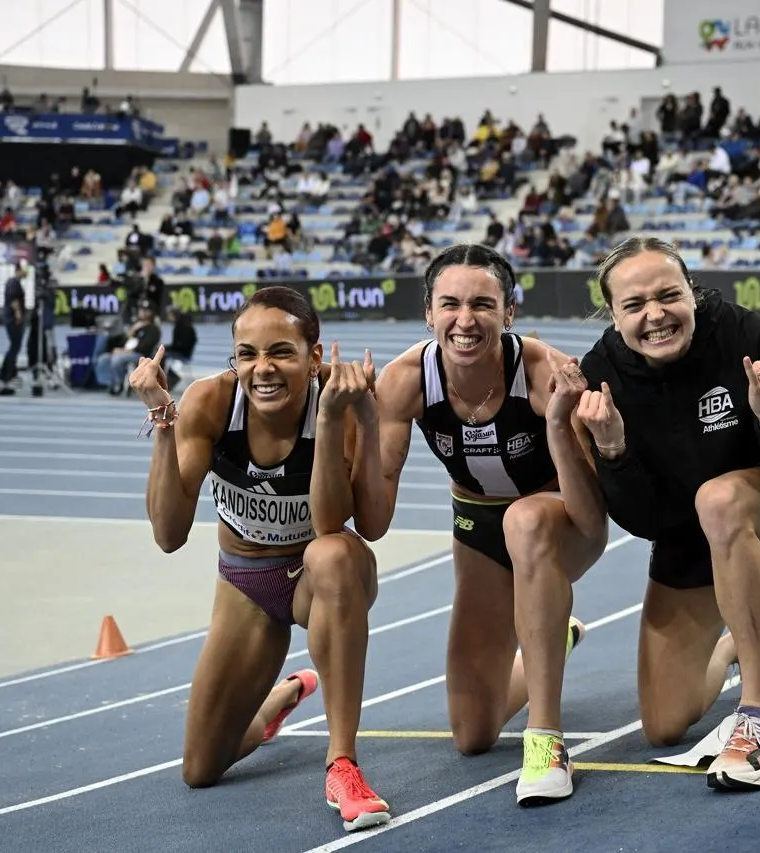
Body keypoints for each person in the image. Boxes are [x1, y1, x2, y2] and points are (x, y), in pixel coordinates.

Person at [552, 236, 760, 792]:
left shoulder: (749, 337)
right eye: (634, 306)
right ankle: (746, 638)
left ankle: (759, 717)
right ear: (613, 313)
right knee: (663, 725)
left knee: (718, 500)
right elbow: (646, 523)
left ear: (692, 294)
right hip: (684, 537)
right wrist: (613, 451)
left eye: (668, 295)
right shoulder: (605, 370)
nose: (656, 315)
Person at [128, 286, 392, 832]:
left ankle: (342, 763)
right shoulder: (211, 403)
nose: (262, 369)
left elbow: (339, 525)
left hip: (316, 578)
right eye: (247, 354)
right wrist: (161, 417)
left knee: (333, 553)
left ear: (314, 357)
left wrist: (331, 423)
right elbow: (169, 535)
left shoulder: (340, 402)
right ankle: (280, 699)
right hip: (245, 584)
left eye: (281, 353)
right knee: (201, 769)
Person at [361, 243, 608, 806]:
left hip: (559, 521)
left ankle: (546, 741)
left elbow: (593, 516)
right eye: (449, 305)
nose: (465, 321)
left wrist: (557, 428)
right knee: (472, 736)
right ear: (428, 313)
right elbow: (374, 524)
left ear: (509, 312)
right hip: (475, 523)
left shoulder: (548, 373)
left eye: (482, 304)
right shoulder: (404, 382)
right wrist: (351, 421)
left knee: (524, 520)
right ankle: (552, 638)